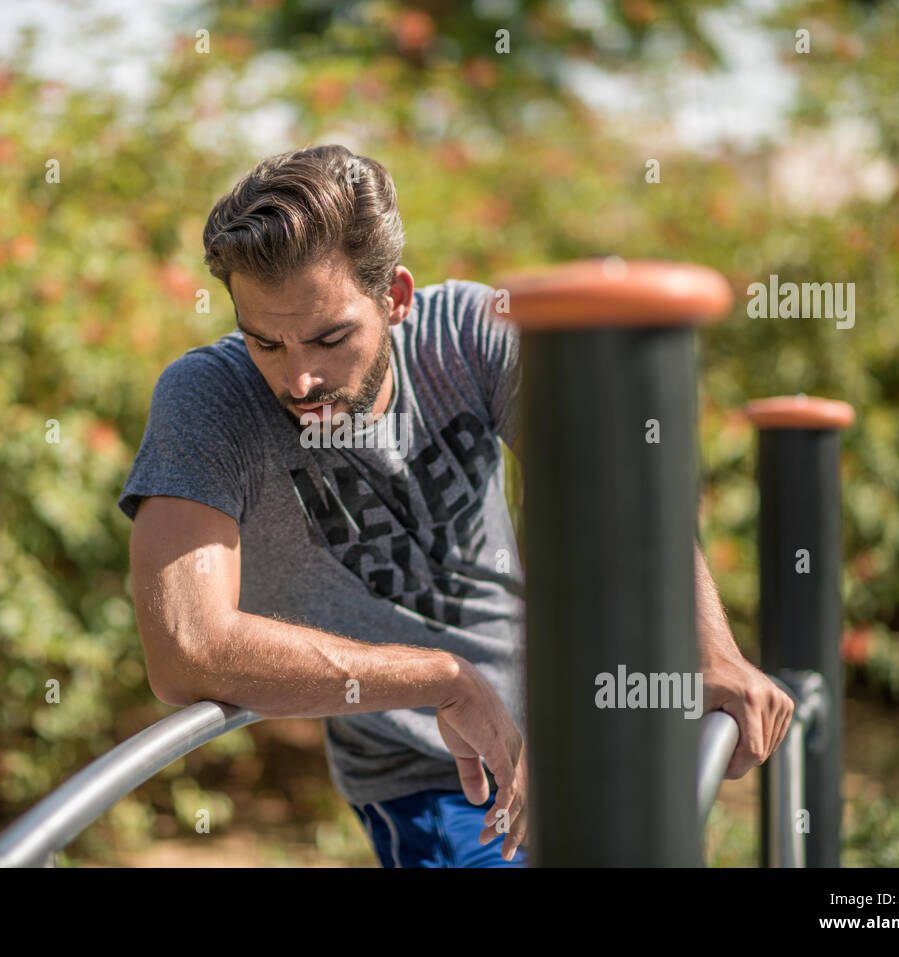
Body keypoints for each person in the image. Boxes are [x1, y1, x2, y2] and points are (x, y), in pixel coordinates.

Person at [118, 144, 794, 867]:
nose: (300, 377)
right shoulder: (208, 397)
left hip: (578, 726)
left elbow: (613, 492)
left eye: (329, 336)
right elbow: (185, 649)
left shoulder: (468, 336)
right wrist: (439, 679)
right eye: (266, 341)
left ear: (396, 298)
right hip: (432, 776)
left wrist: (711, 650)